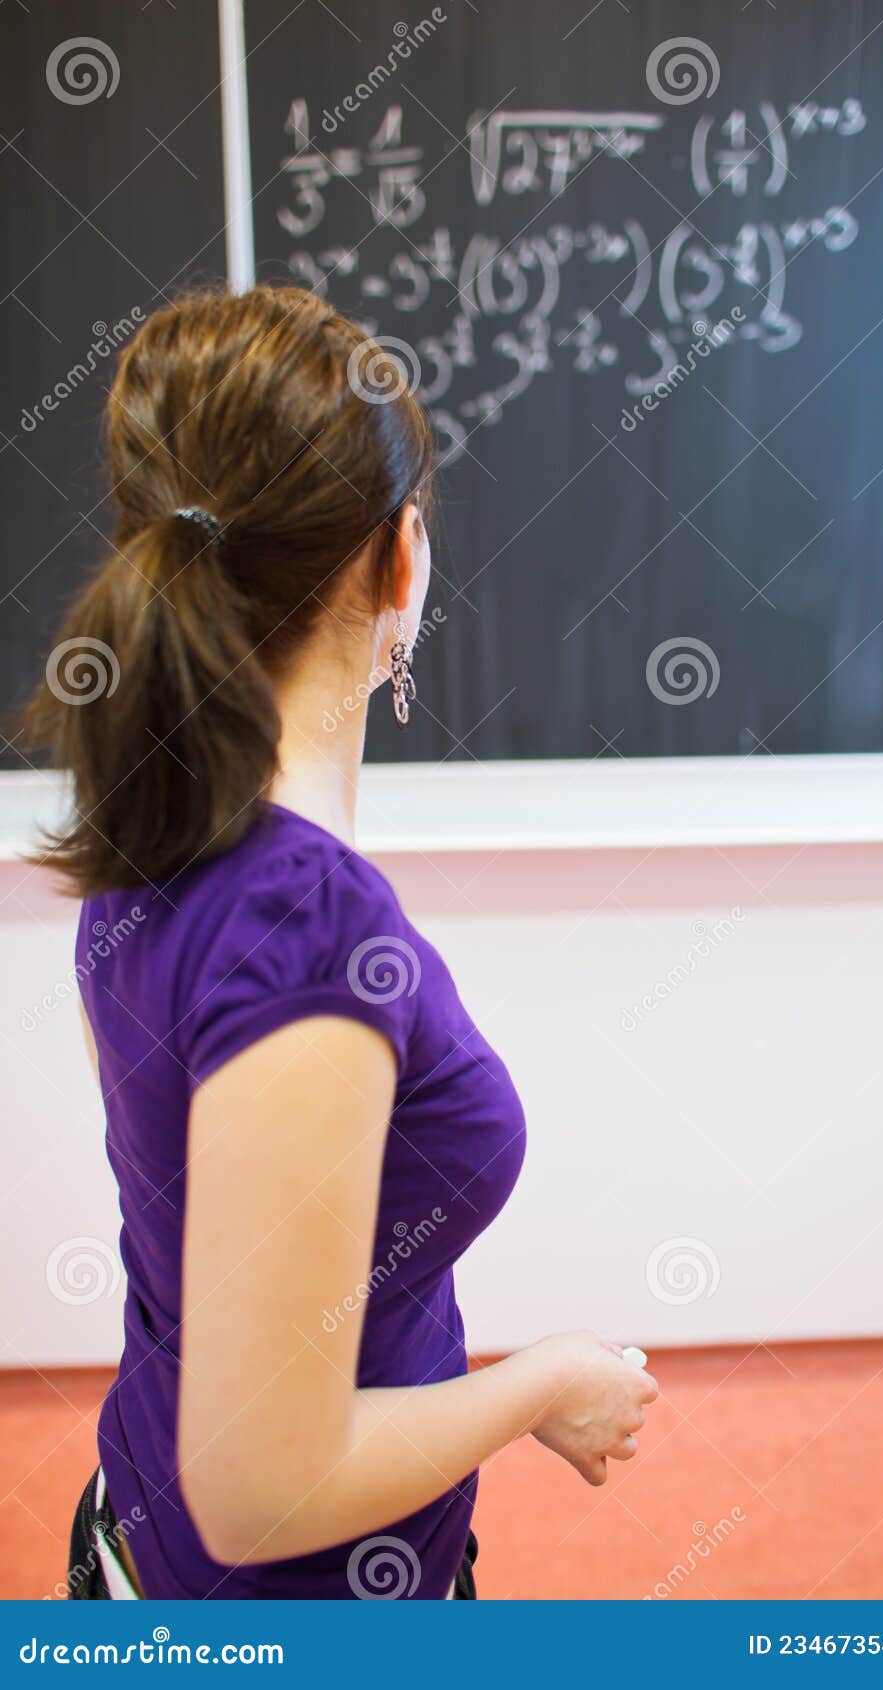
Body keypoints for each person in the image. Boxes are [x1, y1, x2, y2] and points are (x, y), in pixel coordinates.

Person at [23, 285, 657, 1600]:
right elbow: (261, 1486)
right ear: (400, 559)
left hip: (150, 1536)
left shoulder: (148, 826)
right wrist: (545, 1380)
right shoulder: (304, 925)